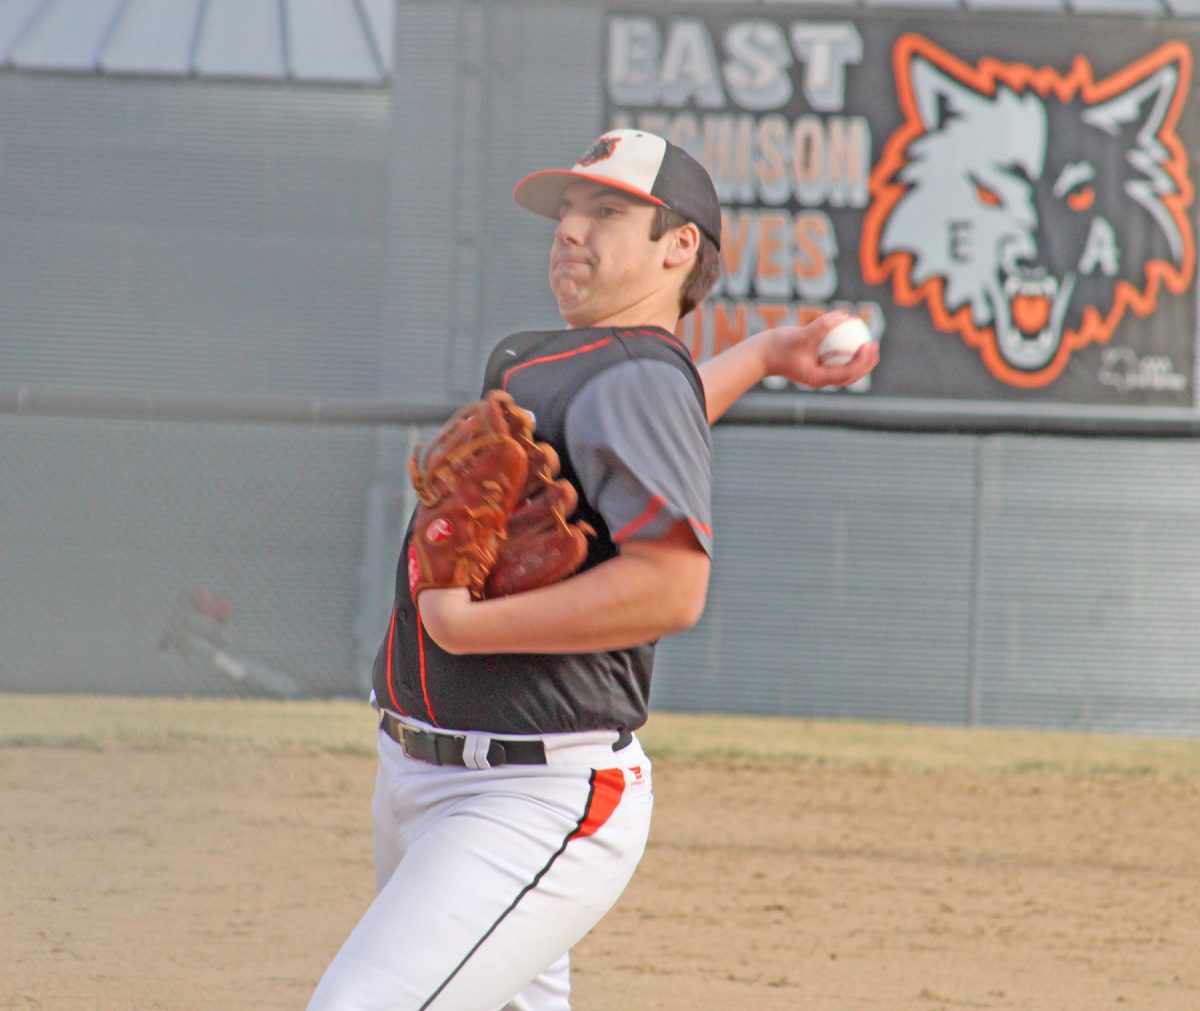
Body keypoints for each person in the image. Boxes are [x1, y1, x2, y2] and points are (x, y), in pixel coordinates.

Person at [308, 128, 878, 1011]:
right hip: (431, 772)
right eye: (566, 212)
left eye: (607, 212)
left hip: (534, 795)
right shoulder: (563, 362)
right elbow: (657, 399)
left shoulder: (637, 377)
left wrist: (462, 622)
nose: (570, 230)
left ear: (678, 245)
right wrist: (763, 355)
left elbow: (670, 585)